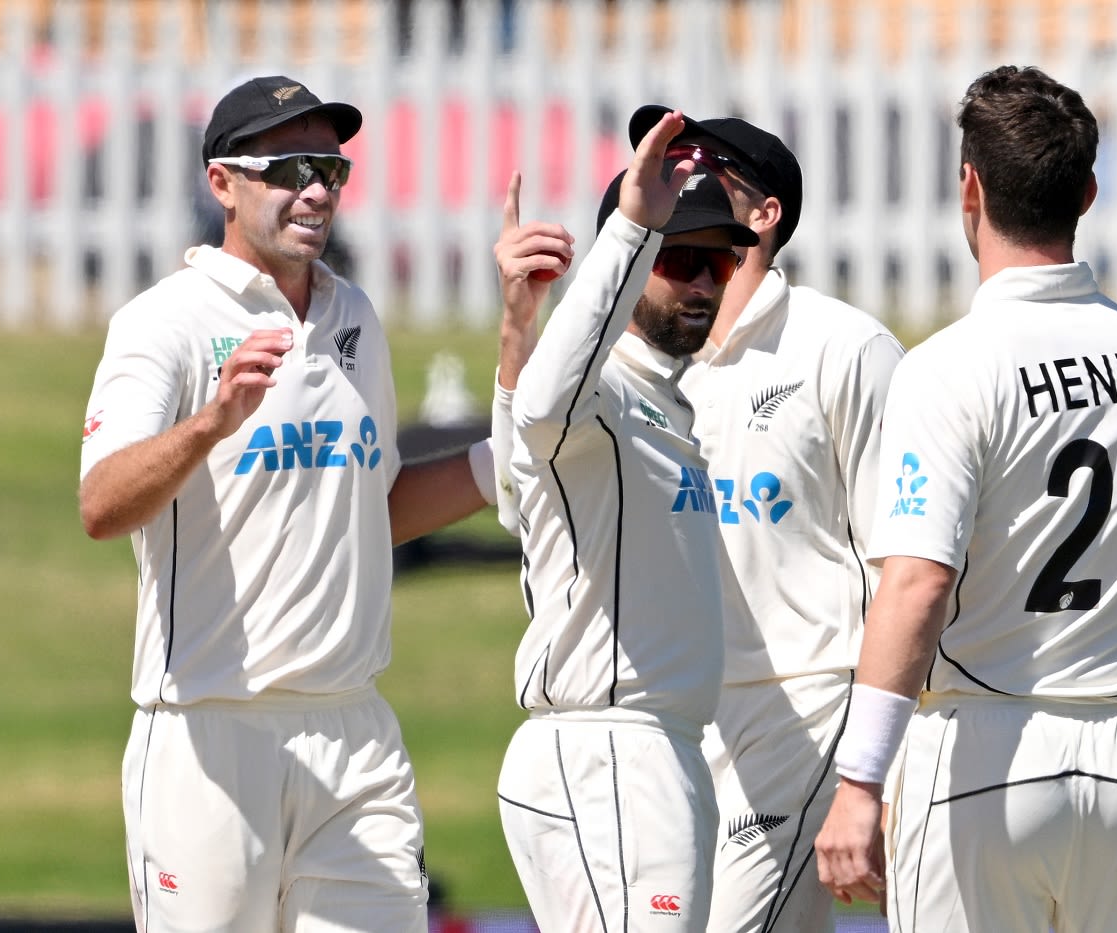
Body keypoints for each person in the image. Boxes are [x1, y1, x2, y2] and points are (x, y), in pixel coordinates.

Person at [78, 75, 496, 932]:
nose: (316, 189)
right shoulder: (165, 323)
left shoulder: (355, 317)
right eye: (290, 168)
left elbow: (373, 511)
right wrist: (212, 424)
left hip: (355, 730)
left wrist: (503, 465)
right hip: (209, 731)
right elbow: (101, 502)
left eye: (331, 171)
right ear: (223, 183)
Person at [814, 66, 1117, 932]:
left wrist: (861, 779)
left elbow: (916, 581)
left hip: (989, 748)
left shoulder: (948, 365)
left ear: (969, 187)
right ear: (1088, 191)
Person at [622, 105, 905, 933]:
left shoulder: (843, 347)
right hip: (674, 722)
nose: (676, 178)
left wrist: (876, 771)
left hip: (808, 710)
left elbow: (906, 565)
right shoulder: (638, 352)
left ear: (763, 214)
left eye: (700, 166)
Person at [492, 111, 759, 932]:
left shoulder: (657, 398)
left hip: (653, 752)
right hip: (607, 748)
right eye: (680, 261)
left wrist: (515, 332)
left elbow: (516, 495)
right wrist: (633, 224)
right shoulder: (599, 394)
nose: (706, 283)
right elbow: (541, 407)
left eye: (720, 261)